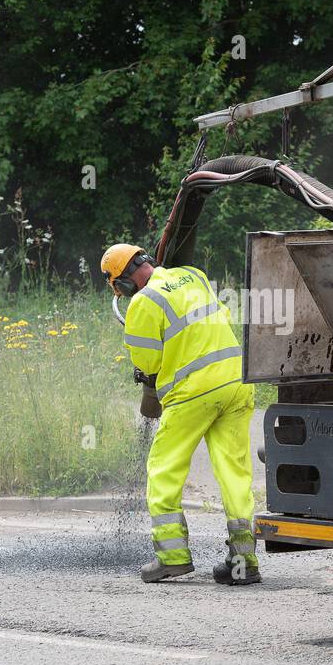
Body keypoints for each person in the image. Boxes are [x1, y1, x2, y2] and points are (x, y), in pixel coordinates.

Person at [101, 243, 261, 585]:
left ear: (124, 286)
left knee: (163, 471)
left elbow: (147, 363)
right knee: (235, 473)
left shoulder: (143, 302)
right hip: (237, 381)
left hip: (194, 393)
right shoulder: (193, 275)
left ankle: (172, 557)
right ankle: (244, 560)